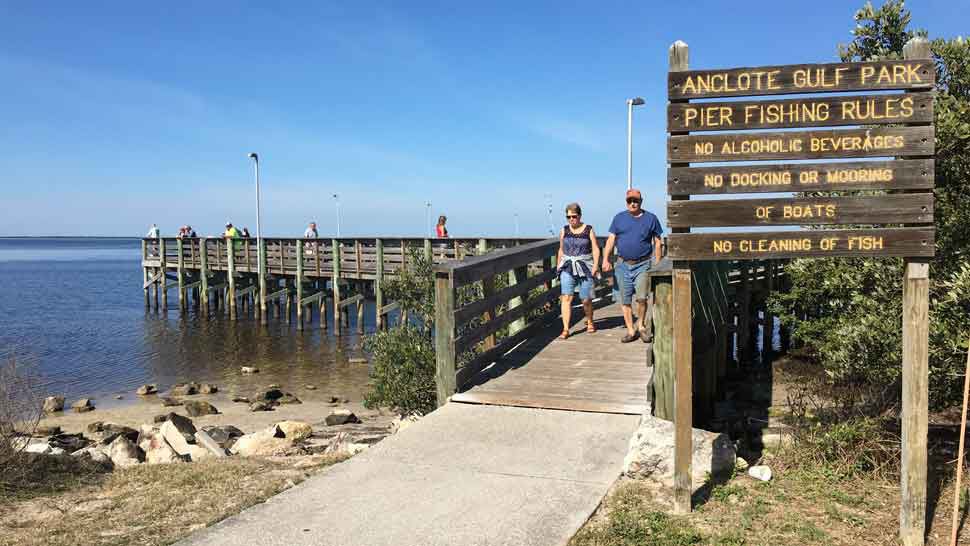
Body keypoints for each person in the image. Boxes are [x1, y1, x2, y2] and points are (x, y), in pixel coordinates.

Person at [601, 188, 663, 343]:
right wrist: (605, 259)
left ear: (641, 201)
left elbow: (657, 242)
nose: (633, 203)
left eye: (636, 201)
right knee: (625, 300)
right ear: (626, 202)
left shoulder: (651, 218)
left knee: (642, 298)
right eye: (630, 201)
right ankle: (630, 330)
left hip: (643, 264)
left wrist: (658, 263)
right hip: (622, 264)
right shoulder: (619, 218)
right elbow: (611, 240)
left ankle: (640, 325)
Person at [556, 203, 600, 340]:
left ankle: (590, 321)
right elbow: (561, 249)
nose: (571, 219)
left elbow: (596, 248)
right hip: (567, 266)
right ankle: (565, 329)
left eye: (574, 216)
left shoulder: (588, 229)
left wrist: (595, 266)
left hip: (585, 266)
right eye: (568, 217)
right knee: (566, 297)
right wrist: (558, 266)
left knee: (586, 299)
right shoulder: (564, 230)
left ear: (580, 216)